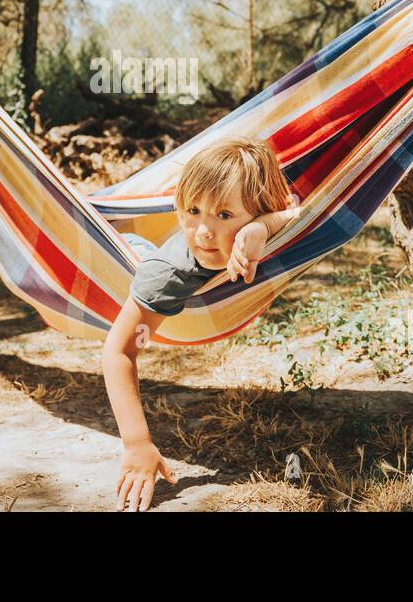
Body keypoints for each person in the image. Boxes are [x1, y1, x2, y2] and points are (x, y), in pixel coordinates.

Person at [100, 136, 301, 511]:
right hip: (137, 261)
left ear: (258, 211)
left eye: (224, 215)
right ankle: (112, 218)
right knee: (129, 243)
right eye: (192, 210)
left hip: (180, 258)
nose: (204, 231)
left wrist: (259, 230)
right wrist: (137, 443)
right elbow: (118, 352)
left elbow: (299, 211)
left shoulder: (257, 224)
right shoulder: (165, 277)